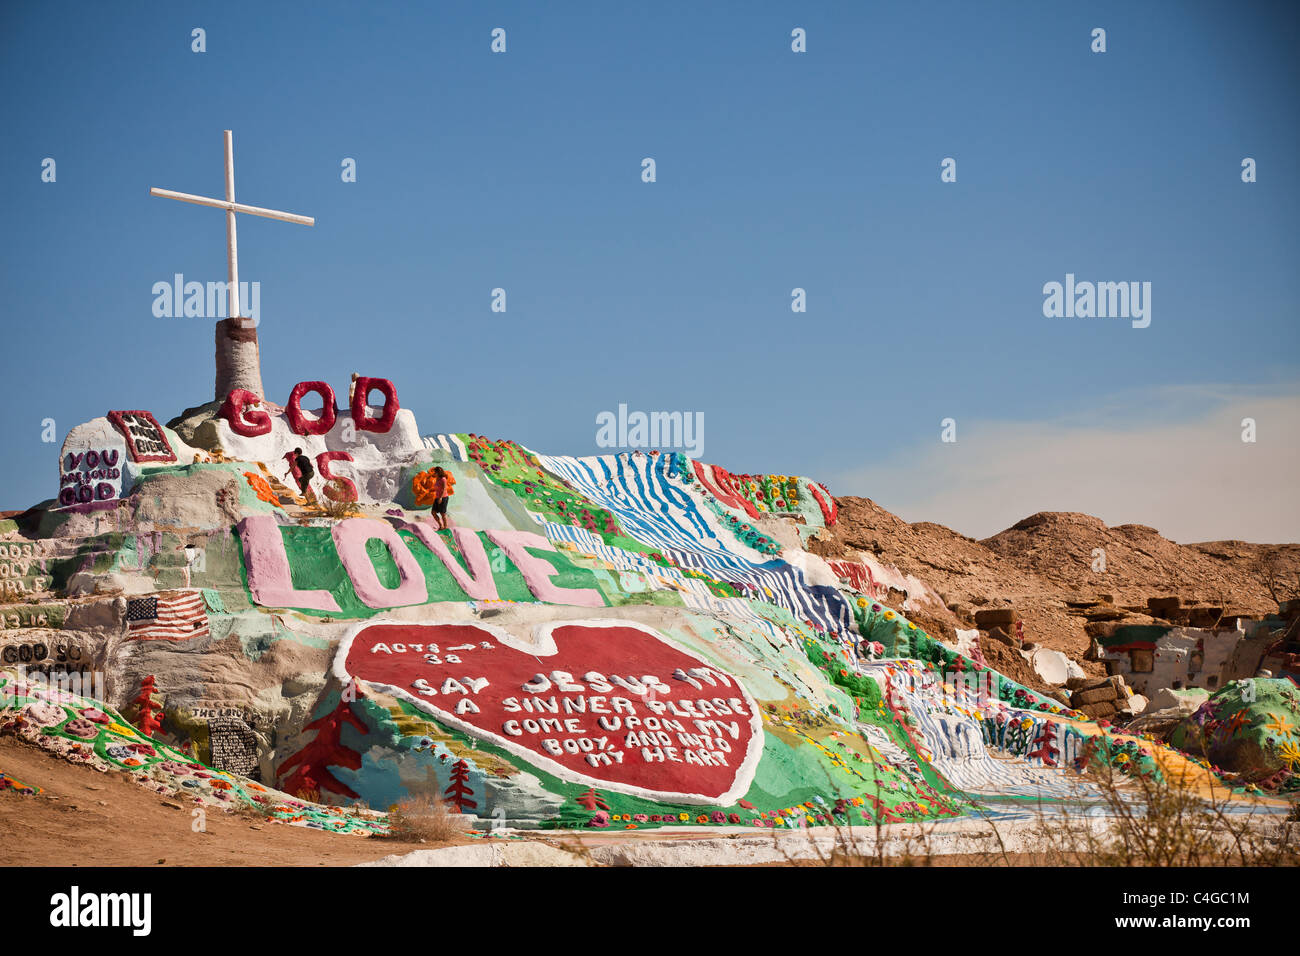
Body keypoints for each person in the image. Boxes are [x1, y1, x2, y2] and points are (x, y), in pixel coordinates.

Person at [430, 466, 449, 530]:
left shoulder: (443, 479)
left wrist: (441, 498)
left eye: (435, 472)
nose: (434, 473)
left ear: (438, 472)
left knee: (442, 513)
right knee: (433, 512)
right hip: (437, 497)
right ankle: (441, 525)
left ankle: (445, 526)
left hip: (443, 497)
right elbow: (437, 488)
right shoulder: (437, 479)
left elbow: (444, 489)